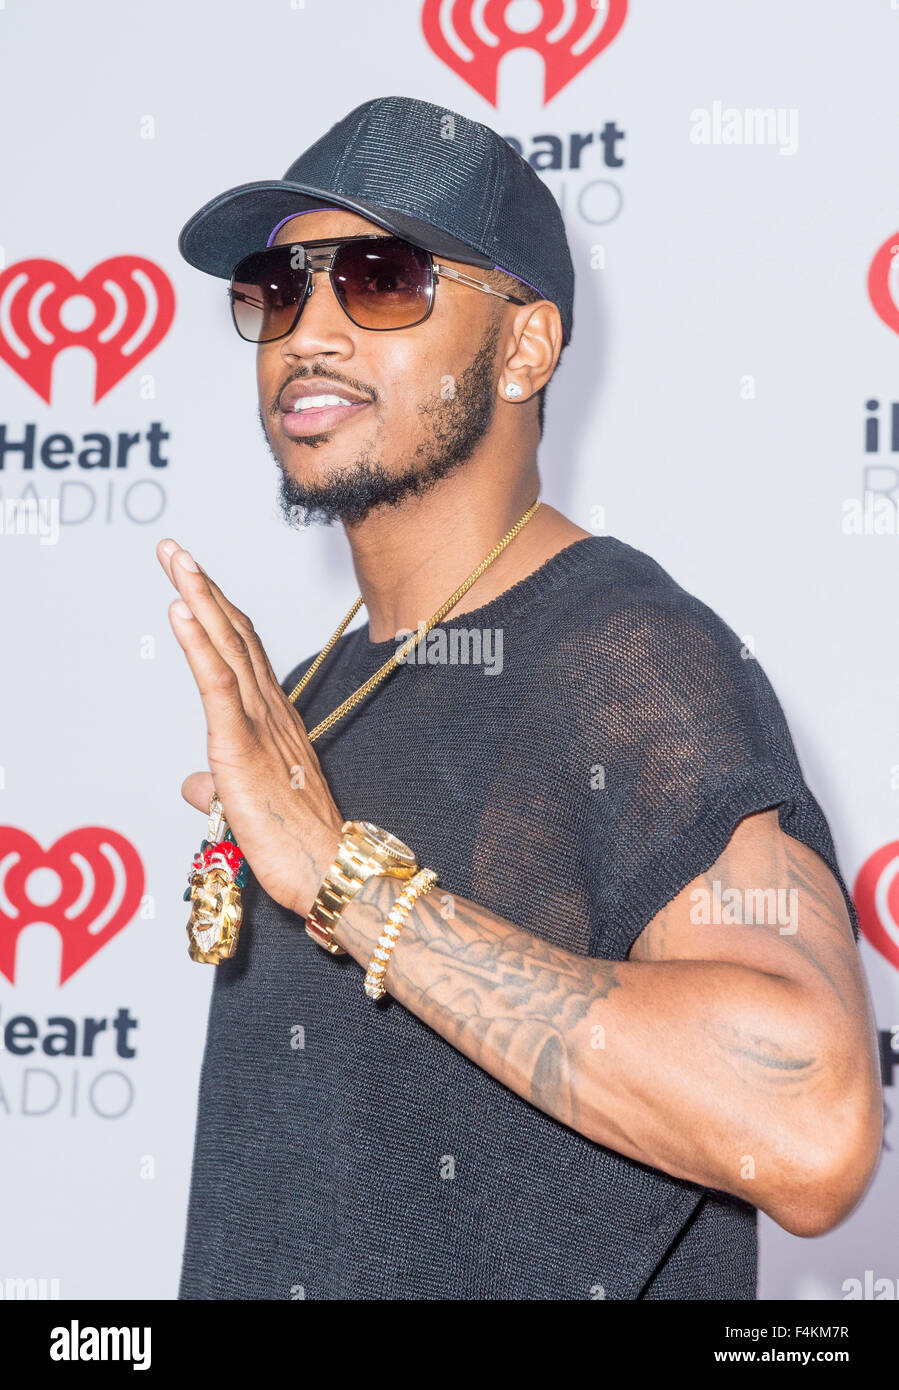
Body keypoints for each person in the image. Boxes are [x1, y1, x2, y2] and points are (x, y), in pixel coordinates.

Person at [161, 95, 881, 1300]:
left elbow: (810, 1126)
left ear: (526, 348)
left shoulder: (626, 655)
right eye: (280, 290)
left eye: (381, 280)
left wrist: (344, 877)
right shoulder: (311, 692)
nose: (308, 332)